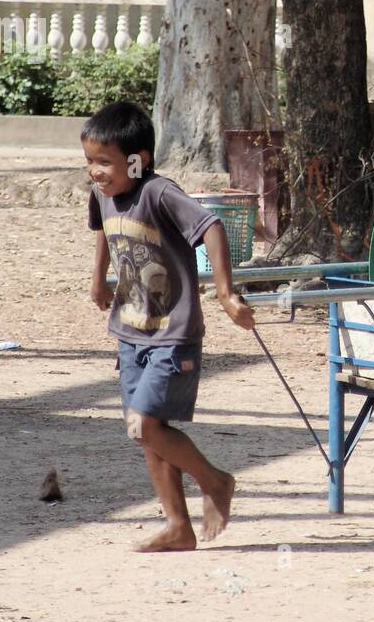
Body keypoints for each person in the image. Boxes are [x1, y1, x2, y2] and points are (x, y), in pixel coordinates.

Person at [83, 101, 256, 552]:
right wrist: (98, 277)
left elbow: (211, 226)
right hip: (129, 331)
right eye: (89, 162)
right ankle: (178, 526)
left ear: (138, 160)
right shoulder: (102, 193)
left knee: (146, 423)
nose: (96, 172)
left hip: (173, 333)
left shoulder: (159, 193)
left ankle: (215, 481)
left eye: (105, 162)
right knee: (144, 431)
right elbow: (103, 227)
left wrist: (225, 293)